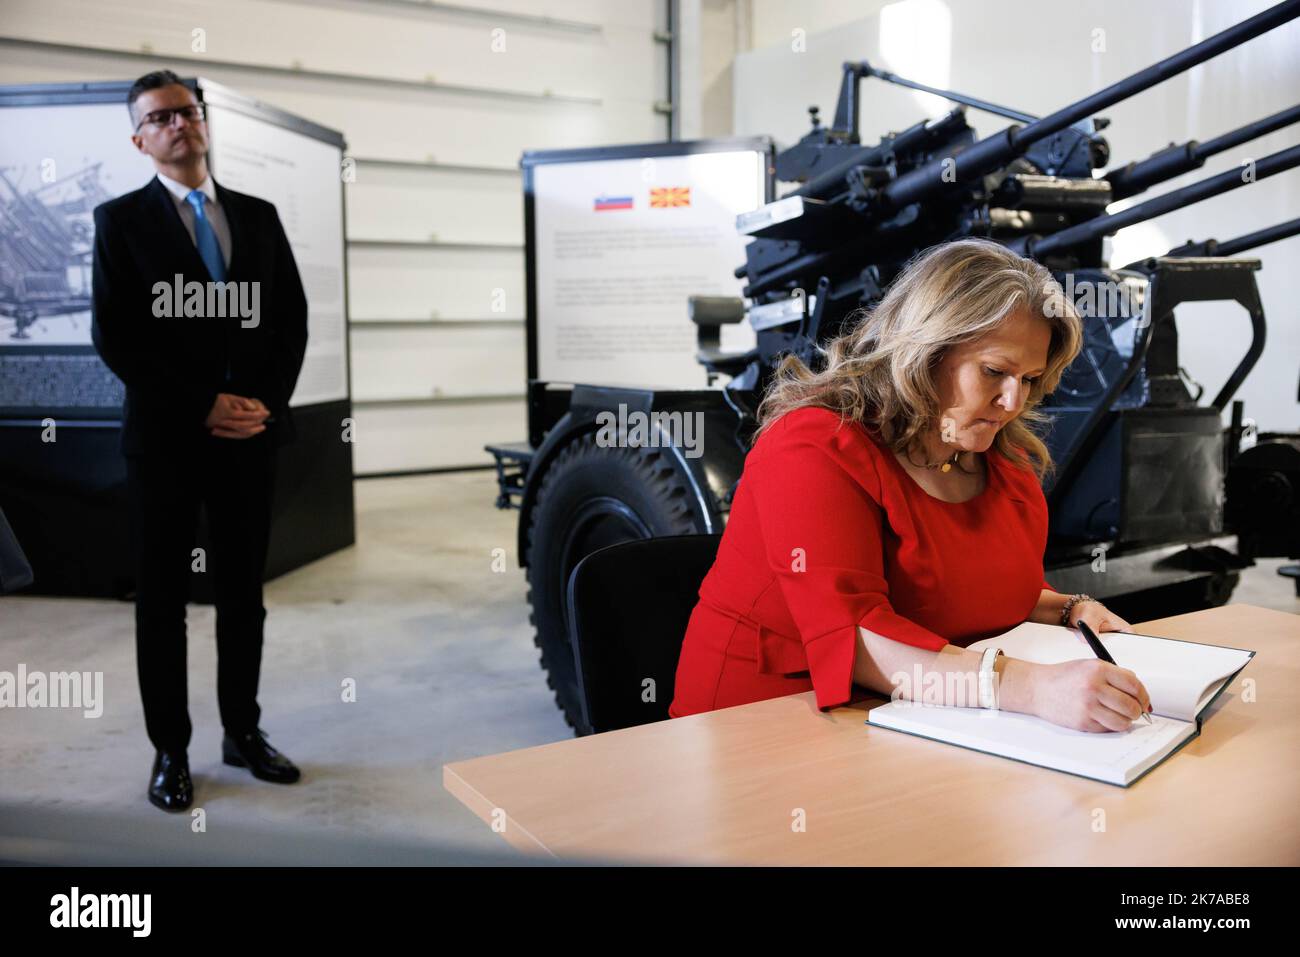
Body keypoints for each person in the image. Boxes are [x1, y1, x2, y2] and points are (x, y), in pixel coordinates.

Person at [668, 239, 1152, 732]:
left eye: (1028, 378)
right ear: (926, 350)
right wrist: (1032, 688)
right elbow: (852, 640)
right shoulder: (813, 446)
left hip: (918, 716)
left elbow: (980, 589)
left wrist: (1072, 608)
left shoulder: (1002, 458)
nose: (1012, 401)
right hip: (768, 723)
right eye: (995, 372)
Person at [91, 70, 308, 812]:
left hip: (248, 439)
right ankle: (171, 749)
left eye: (187, 110)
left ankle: (242, 733)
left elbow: (290, 323)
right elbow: (116, 338)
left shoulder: (258, 215)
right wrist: (201, 406)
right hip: (166, 442)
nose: (179, 123)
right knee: (163, 600)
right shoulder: (119, 223)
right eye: (161, 117)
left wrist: (260, 406)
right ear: (140, 139)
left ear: (204, 122)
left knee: (244, 593)